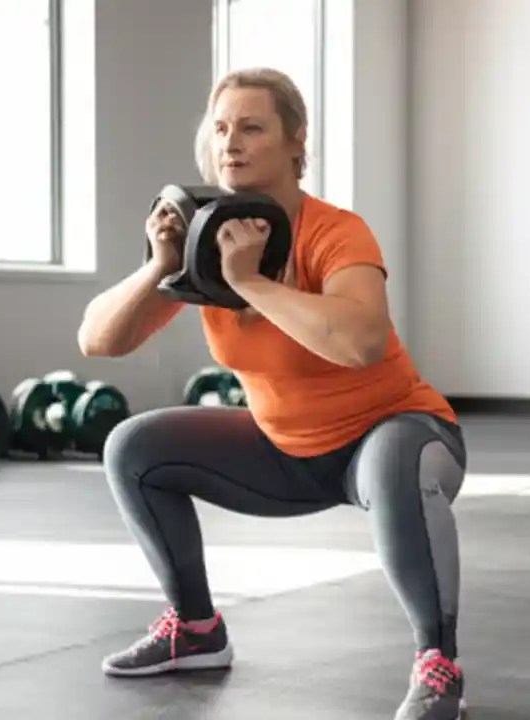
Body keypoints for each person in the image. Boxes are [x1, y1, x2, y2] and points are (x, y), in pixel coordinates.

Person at [76, 67, 468, 720]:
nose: (232, 142)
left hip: (394, 435)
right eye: (222, 127)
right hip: (285, 451)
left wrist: (251, 282)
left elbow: (360, 343)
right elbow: (99, 340)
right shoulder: (207, 242)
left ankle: (439, 664)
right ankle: (196, 629)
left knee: (398, 458)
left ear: (295, 142)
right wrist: (159, 266)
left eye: (252, 127)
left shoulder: (335, 232)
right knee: (133, 447)